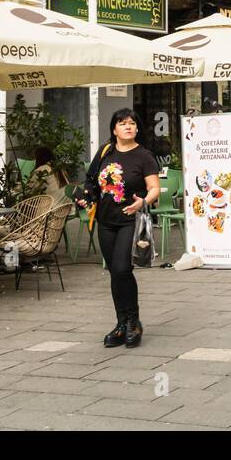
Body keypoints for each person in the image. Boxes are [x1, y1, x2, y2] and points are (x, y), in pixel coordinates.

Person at [82, 109, 160, 349]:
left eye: (132, 123)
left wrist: (143, 202)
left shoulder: (144, 155)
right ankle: (120, 323)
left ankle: (133, 321)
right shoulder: (105, 152)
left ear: (137, 129)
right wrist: (87, 198)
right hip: (106, 220)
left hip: (130, 220)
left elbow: (155, 188)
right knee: (115, 273)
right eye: (122, 123)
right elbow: (90, 181)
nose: (128, 126)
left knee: (122, 267)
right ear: (114, 129)